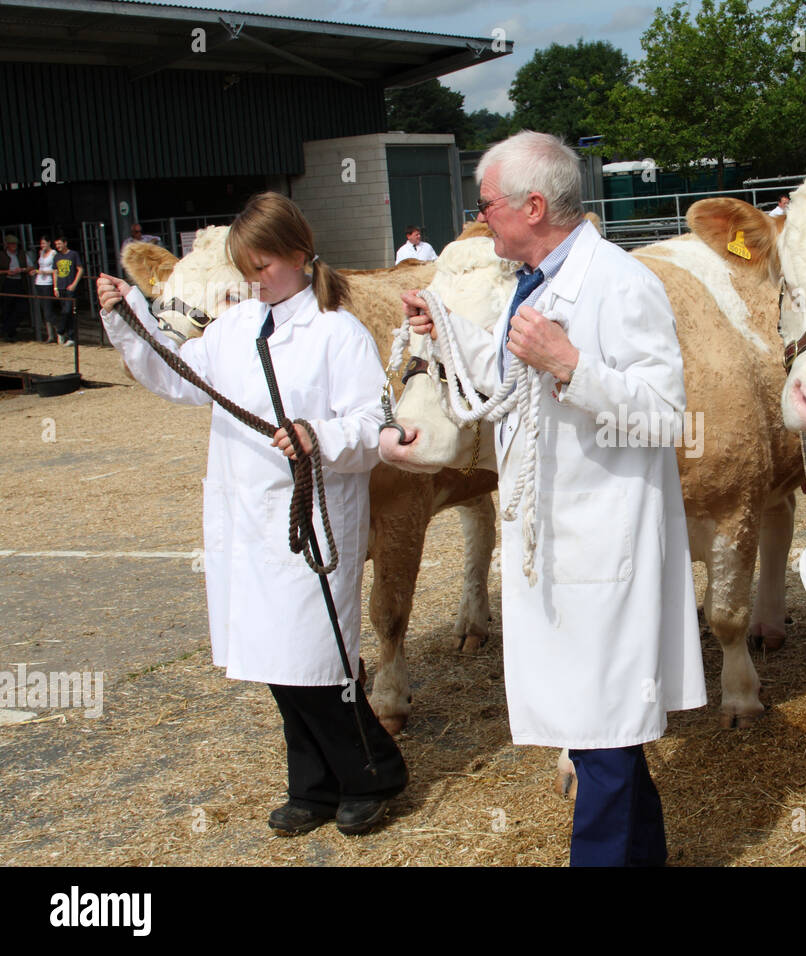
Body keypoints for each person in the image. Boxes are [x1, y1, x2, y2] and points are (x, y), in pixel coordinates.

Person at [392, 131, 706, 867]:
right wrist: (450, 334)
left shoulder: (622, 283)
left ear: (534, 206)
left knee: (602, 732)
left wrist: (571, 365)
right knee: (601, 729)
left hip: (606, 545)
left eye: (488, 206)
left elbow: (666, 414)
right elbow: (513, 380)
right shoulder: (531, 284)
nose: (481, 219)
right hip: (556, 545)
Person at [97, 192, 407, 837]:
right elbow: (181, 378)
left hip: (308, 519)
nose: (252, 280)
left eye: (262, 266)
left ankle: (372, 772)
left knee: (315, 660)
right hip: (244, 519)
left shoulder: (336, 332)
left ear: (299, 254)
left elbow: (373, 423)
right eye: (245, 267)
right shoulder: (235, 327)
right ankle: (314, 786)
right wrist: (128, 319)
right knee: (275, 660)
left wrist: (315, 434)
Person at [51, 236, 83, 347]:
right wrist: (55, 287)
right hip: (60, 286)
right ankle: (70, 336)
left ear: (65, 243)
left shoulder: (73, 254)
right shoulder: (57, 257)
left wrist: (74, 284)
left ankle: (60, 330)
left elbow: (80, 269)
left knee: (68, 310)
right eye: (56, 244)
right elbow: (55, 271)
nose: (58, 246)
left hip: (70, 287)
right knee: (66, 312)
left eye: (59, 244)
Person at [2, 234, 30, 342]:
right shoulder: (2, 255)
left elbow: (31, 266)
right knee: (7, 308)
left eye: (15, 244)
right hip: (7, 282)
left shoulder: (22, 254)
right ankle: (9, 333)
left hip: (19, 281)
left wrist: (22, 270)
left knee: (22, 308)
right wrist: (7, 272)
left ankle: (9, 329)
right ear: (7, 245)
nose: (14, 246)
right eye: (11, 244)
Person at [30, 236, 57, 342]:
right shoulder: (41, 253)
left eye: (44, 243)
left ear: (49, 243)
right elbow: (40, 266)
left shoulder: (53, 253)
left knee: (48, 310)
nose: (42, 246)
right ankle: (50, 335)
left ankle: (60, 332)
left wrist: (42, 272)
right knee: (44, 309)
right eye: (41, 244)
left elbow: (55, 270)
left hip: (48, 282)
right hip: (39, 282)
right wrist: (36, 271)